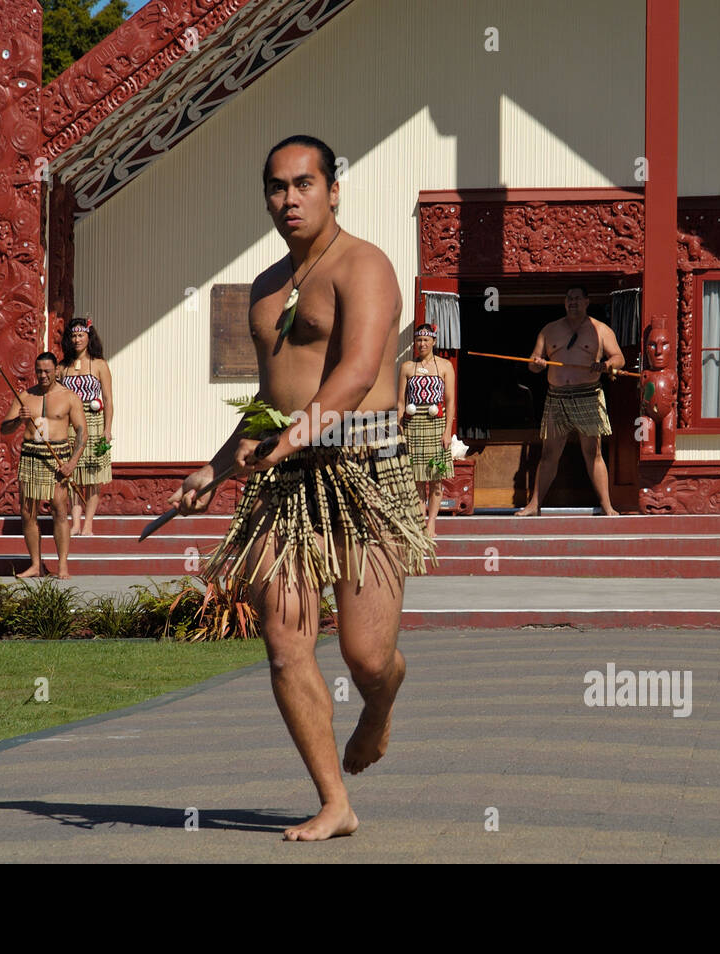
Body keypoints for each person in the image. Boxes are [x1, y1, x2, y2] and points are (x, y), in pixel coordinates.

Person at [169, 135, 435, 842]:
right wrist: (217, 465)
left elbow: (355, 371)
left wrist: (292, 438)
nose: (290, 198)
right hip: (284, 487)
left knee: (367, 657)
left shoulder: (365, 265)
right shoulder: (263, 289)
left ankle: (380, 706)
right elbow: (269, 399)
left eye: (304, 184)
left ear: (333, 190)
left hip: (364, 474)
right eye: (277, 187)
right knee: (285, 641)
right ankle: (333, 801)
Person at [516, 286, 625, 516]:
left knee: (593, 453)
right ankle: (534, 505)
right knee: (548, 455)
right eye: (568, 299)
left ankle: (607, 506)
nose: (572, 302)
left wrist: (605, 365)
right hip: (557, 397)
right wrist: (537, 363)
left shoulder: (601, 330)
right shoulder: (550, 330)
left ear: (587, 301)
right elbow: (532, 362)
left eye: (577, 298)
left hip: (588, 395)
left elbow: (619, 359)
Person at [0, 352, 87, 578]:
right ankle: (36, 565)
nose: (43, 375)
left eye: (47, 371)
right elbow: (4, 429)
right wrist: (19, 418)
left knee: (59, 509)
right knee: (28, 512)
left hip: (58, 456)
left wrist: (72, 463)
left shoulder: (69, 397)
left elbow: (82, 432)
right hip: (31, 456)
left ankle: (62, 565)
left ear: (56, 370)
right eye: (39, 371)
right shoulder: (25, 397)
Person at [397, 322, 456, 537]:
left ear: (433, 341)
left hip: (436, 424)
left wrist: (447, 431)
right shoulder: (406, 367)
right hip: (413, 425)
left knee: (436, 476)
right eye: (418, 340)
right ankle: (421, 522)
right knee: (417, 478)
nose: (422, 344)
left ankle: (432, 522)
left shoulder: (445, 366)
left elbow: (450, 402)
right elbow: (401, 403)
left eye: (425, 340)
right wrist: (399, 428)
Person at [58, 316, 114, 536]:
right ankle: (75, 523)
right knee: (72, 475)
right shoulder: (62, 368)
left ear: (89, 337)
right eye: (73, 335)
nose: (77, 339)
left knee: (91, 476)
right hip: (70, 425)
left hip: (94, 422)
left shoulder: (100, 365)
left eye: (81, 335)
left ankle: (88, 523)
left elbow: (108, 399)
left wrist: (107, 429)